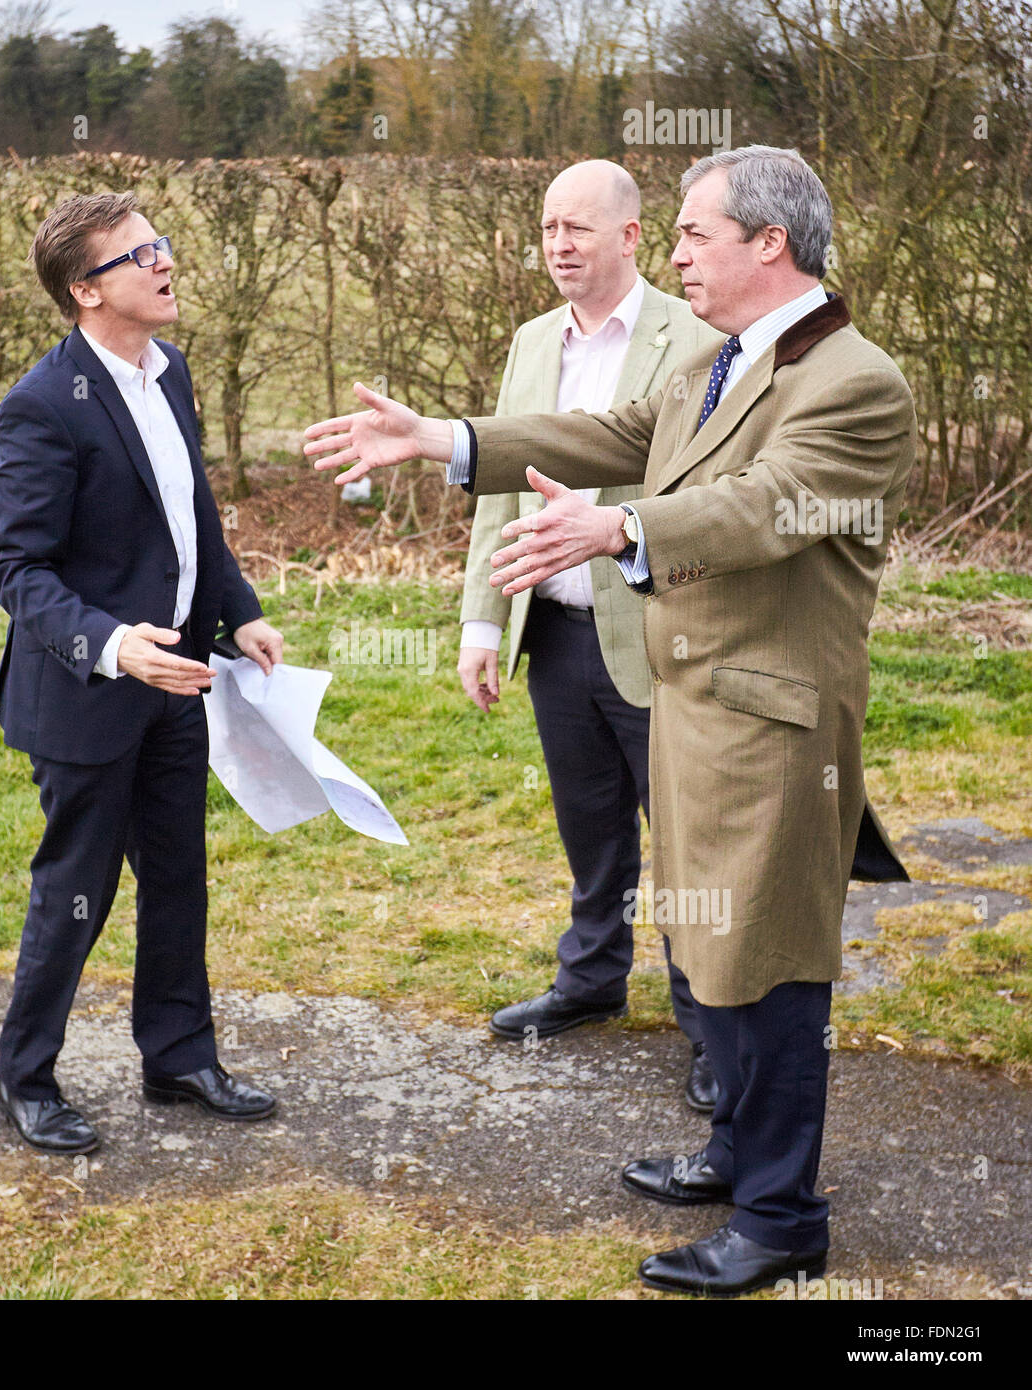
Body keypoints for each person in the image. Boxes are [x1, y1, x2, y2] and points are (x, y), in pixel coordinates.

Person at [303, 146, 914, 1296]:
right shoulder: (719, 362)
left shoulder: (852, 380)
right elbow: (609, 439)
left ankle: (781, 1217)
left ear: (768, 245)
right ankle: (734, 1152)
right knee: (707, 942)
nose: (674, 249)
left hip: (774, 727)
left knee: (771, 965)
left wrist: (620, 534)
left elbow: (766, 506)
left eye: (693, 232)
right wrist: (443, 440)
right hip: (697, 709)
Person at [0, 192, 283, 1155]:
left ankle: (178, 1055)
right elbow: (18, 570)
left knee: (178, 874)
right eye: (139, 254)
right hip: (89, 694)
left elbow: (190, 519)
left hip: (182, 681)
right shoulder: (40, 405)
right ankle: (24, 1078)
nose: (165, 262)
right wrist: (117, 648)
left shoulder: (173, 371)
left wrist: (238, 615)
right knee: (76, 889)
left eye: (162, 244)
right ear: (84, 290)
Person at [459, 159, 719, 1113]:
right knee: (590, 828)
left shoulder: (696, 337)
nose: (559, 246)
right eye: (546, 229)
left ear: (631, 237)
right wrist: (483, 621)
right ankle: (591, 981)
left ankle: (712, 1025)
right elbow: (500, 488)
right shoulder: (532, 343)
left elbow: (708, 495)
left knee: (688, 842)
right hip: (556, 633)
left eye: (577, 229)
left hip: (659, 633)